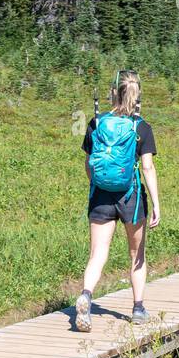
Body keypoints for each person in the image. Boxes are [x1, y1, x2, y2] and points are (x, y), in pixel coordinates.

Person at [75, 69, 160, 332]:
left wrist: (96, 184)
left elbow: (89, 163)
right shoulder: (141, 127)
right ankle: (137, 308)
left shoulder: (97, 123)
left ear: (113, 92)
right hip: (131, 197)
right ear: (137, 95)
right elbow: (147, 167)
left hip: (100, 195)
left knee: (98, 254)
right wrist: (156, 203)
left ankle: (87, 296)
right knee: (137, 255)